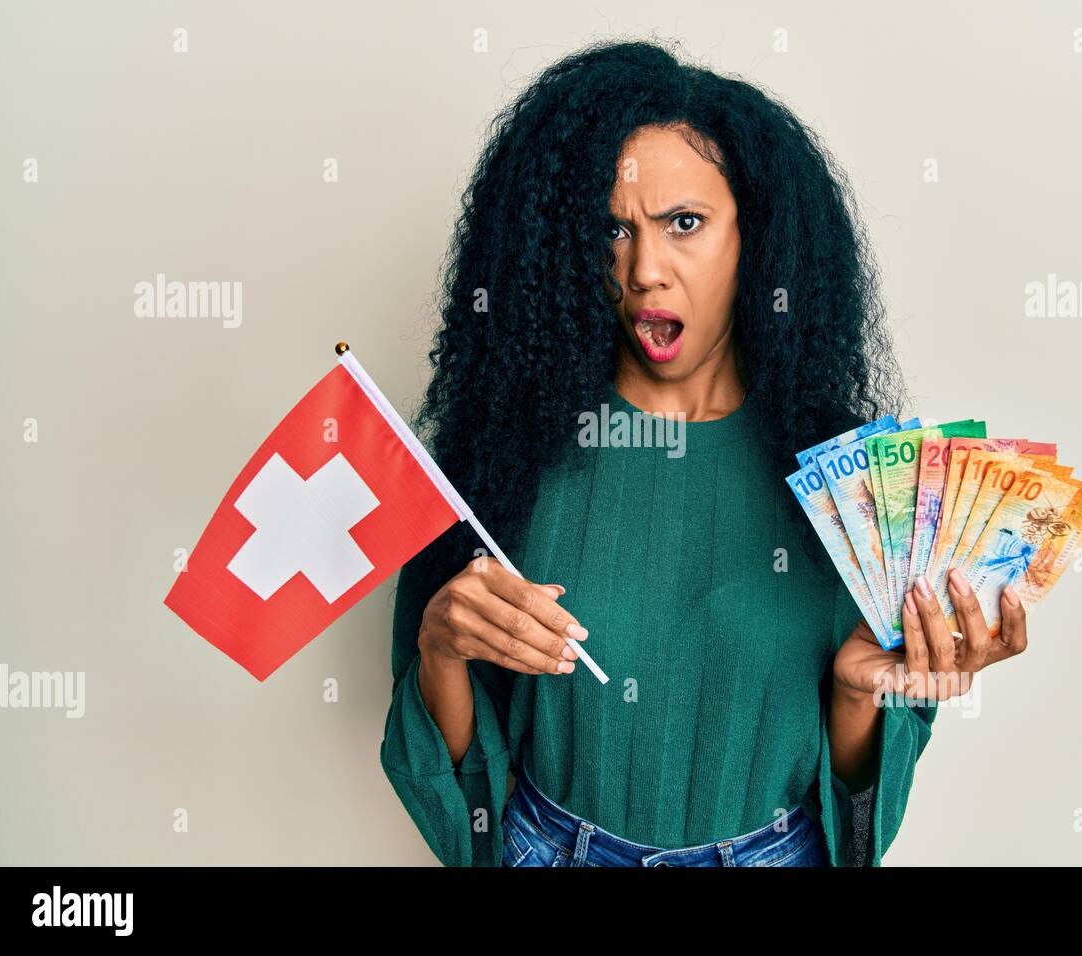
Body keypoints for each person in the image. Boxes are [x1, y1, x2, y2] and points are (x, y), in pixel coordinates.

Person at [379, 39, 1029, 867]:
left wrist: (861, 694)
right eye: (611, 229)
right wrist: (441, 644)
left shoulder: (853, 485)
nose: (645, 269)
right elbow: (460, 815)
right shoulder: (501, 459)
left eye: (684, 223)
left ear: (755, 239)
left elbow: (857, 825)